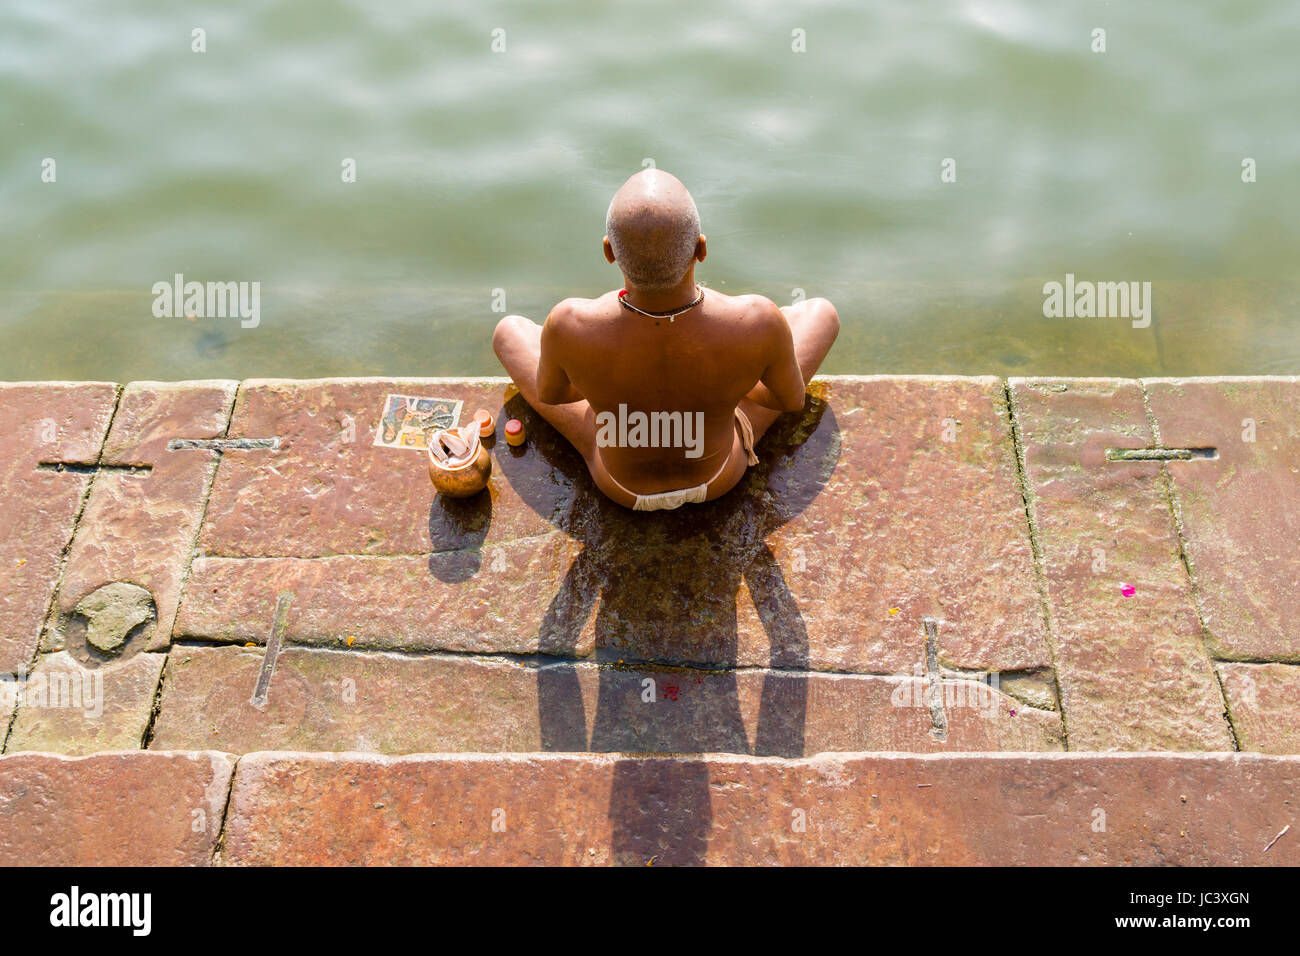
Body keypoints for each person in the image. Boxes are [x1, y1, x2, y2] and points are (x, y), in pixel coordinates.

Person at [492, 169, 838, 511]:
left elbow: (552, 394)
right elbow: (788, 399)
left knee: (509, 331)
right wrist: (731, 381)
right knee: (821, 313)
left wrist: (606, 386)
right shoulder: (758, 319)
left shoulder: (568, 324)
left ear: (609, 251)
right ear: (701, 249)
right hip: (718, 475)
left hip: (620, 484)